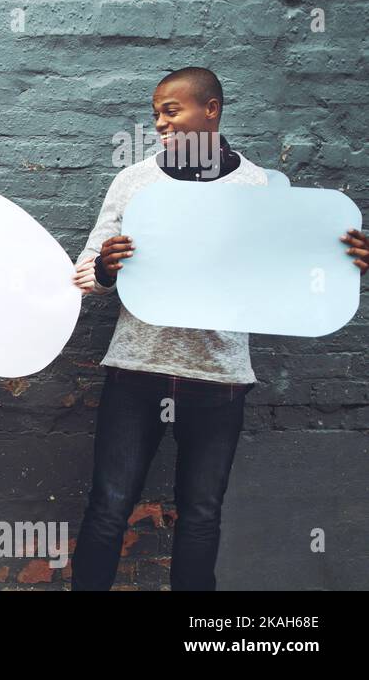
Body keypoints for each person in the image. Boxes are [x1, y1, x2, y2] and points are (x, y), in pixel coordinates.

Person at [70, 66, 369, 590]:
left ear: (211, 110)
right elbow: (82, 275)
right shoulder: (135, 181)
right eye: (156, 113)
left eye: (171, 110)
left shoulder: (258, 186)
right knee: (108, 507)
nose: (160, 123)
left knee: (202, 514)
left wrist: (344, 262)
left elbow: (284, 276)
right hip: (137, 370)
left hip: (219, 377)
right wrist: (104, 268)